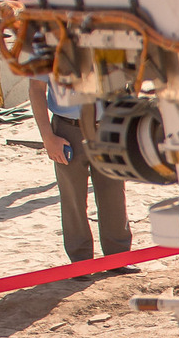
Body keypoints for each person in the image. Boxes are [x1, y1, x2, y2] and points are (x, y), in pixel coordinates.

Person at [29, 79, 137, 273]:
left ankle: (119, 257)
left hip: (109, 126)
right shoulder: (46, 48)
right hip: (68, 129)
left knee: (114, 194)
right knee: (73, 198)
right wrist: (47, 137)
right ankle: (81, 263)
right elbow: (36, 88)